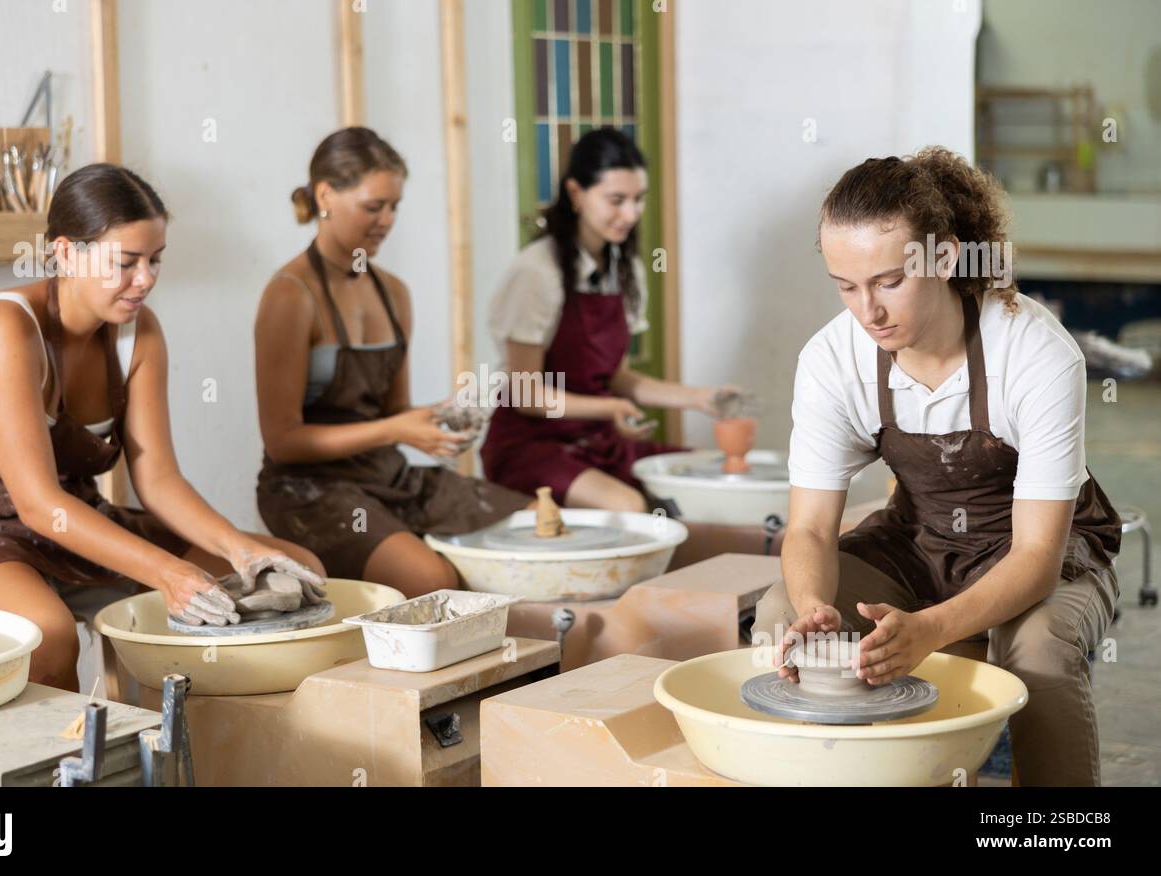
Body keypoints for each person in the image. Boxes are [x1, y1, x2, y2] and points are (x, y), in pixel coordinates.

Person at [752, 147, 1122, 785]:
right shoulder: (832, 359)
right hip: (920, 541)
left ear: (945, 258)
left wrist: (929, 629)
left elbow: (1035, 557)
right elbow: (810, 529)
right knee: (779, 612)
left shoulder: (1033, 352)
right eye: (846, 286)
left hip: (1045, 553)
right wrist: (815, 606)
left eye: (889, 281)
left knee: (1039, 653)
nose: (867, 311)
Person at [0, 164, 325, 692]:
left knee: (293, 567)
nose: (145, 279)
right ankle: (69, 768)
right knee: (50, 634)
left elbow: (160, 481)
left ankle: (172, 750)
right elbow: (37, 504)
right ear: (62, 253)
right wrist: (168, 573)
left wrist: (241, 549)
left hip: (75, 520)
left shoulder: (138, 334)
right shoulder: (3, 328)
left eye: (154, 260)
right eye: (125, 262)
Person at [255, 128, 531, 598]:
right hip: (309, 489)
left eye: (394, 207)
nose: (386, 219)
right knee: (431, 578)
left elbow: (393, 413)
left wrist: (444, 416)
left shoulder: (394, 294)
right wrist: (399, 430)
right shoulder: (290, 295)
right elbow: (283, 443)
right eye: (373, 206)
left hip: (385, 473)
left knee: (533, 529)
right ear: (325, 195)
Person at [481, 128, 738, 514]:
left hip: (597, 441)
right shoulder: (537, 272)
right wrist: (609, 410)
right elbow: (526, 395)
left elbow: (618, 378)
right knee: (628, 505)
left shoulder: (626, 268)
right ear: (575, 194)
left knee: (710, 479)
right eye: (617, 200)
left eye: (638, 200)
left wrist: (700, 399)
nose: (631, 214)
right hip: (530, 446)